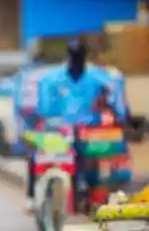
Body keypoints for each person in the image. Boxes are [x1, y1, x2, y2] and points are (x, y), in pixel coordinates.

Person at [24, 40, 125, 211]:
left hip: (89, 130)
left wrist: (115, 113)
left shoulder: (98, 78)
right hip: (59, 130)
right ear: (69, 56)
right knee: (38, 155)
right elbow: (44, 108)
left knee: (104, 157)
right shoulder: (52, 80)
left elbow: (115, 101)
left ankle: (95, 192)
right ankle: (33, 196)